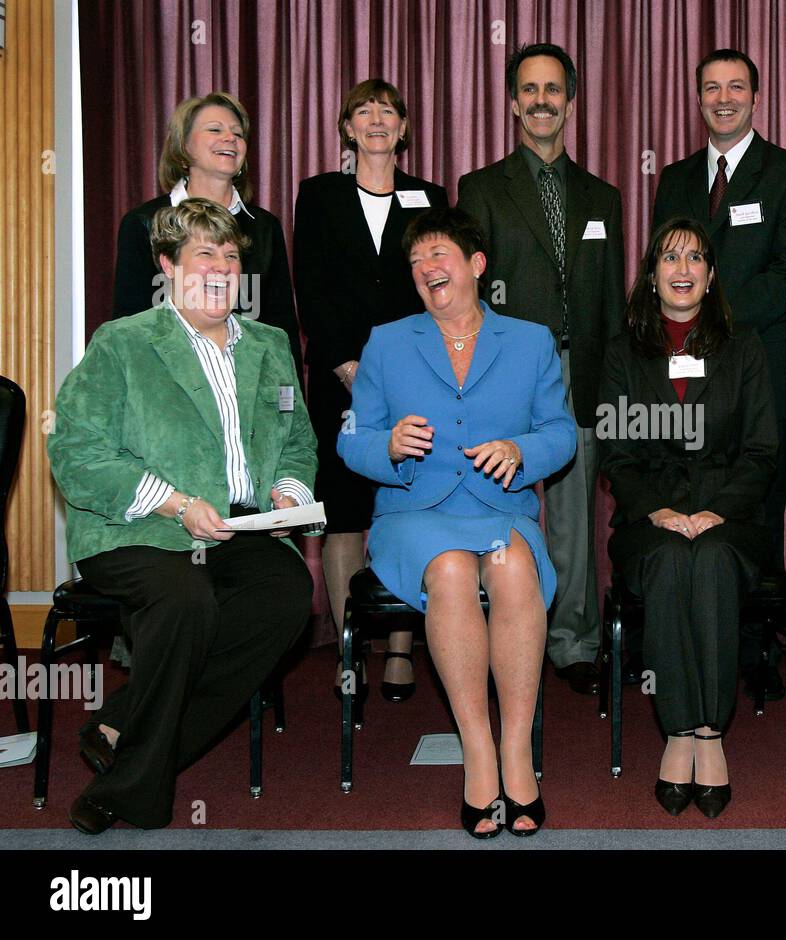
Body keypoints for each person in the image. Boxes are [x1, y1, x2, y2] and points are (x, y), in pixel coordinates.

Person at [48, 198, 317, 833]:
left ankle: (124, 724)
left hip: (235, 527)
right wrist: (172, 501)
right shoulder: (124, 342)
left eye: (230, 255)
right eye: (204, 254)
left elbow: (298, 437)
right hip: (135, 527)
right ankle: (132, 792)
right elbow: (74, 451)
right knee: (185, 601)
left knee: (286, 594)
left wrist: (287, 490)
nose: (221, 267)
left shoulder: (271, 347)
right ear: (168, 265)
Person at [339, 207, 577, 837]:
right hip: (415, 510)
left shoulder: (529, 341)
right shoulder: (387, 342)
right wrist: (387, 445)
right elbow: (351, 441)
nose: (425, 268)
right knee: (449, 571)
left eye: (437, 253)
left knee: (512, 564)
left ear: (476, 264)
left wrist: (523, 452)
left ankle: (517, 749)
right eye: (415, 262)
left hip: (501, 508)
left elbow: (561, 434)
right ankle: (477, 751)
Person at [457, 43, 625, 697]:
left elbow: (611, 301)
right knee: (504, 509)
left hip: (578, 371)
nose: (541, 100)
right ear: (512, 101)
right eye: (529, 89)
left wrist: (611, 391)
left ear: (570, 100)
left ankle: (575, 639)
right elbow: (465, 296)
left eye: (553, 89)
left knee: (576, 512)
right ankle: (508, 634)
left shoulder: (602, 197)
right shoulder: (479, 189)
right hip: (507, 372)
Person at [652, 48, 786, 699]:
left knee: (757, 508)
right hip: (683, 376)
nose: (724, 98)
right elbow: (664, 264)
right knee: (689, 495)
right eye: (712, 88)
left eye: (736, 87)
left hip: (762, 373)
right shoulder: (675, 177)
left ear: (755, 97)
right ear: (698, 99)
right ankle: (686, 631)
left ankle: (751, 644)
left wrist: (705, 312)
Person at [599, 218, 778, 819]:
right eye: (670, 259)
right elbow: (616, 453)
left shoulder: (744, 346)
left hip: (732, 517)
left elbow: (761, 452)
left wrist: (714, 511)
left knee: (713, 561)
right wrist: (660, 510)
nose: (682, 270)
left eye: (695, 259)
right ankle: (681, 730)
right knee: (674, 559)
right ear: (651, 275)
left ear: (710, 275)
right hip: (650, 519)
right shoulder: (624, 352)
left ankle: (711, 732)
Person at [294, 78, 450, 703]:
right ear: (347, 128)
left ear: (404, 128)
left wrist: (397, 376)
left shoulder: (430, 197)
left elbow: (437, 282)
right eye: (364, 110)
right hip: (340, 382)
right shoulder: (320, 194)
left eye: (389, 110)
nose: (377, 119)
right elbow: (313, 286)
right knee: (346, 514)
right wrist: (348, 368)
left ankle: (401, 650)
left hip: (416, 378)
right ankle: (353, 649)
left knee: (409, 508)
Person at [112, 92, 302, 381]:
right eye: (215, 129)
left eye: (238, 134)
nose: (230, 138)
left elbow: (281, 328)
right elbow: (127, 325)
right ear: (183, 146)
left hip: (248, 387)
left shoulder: (264, 227)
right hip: (166, 389)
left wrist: (289, 399)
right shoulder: (143, 223)